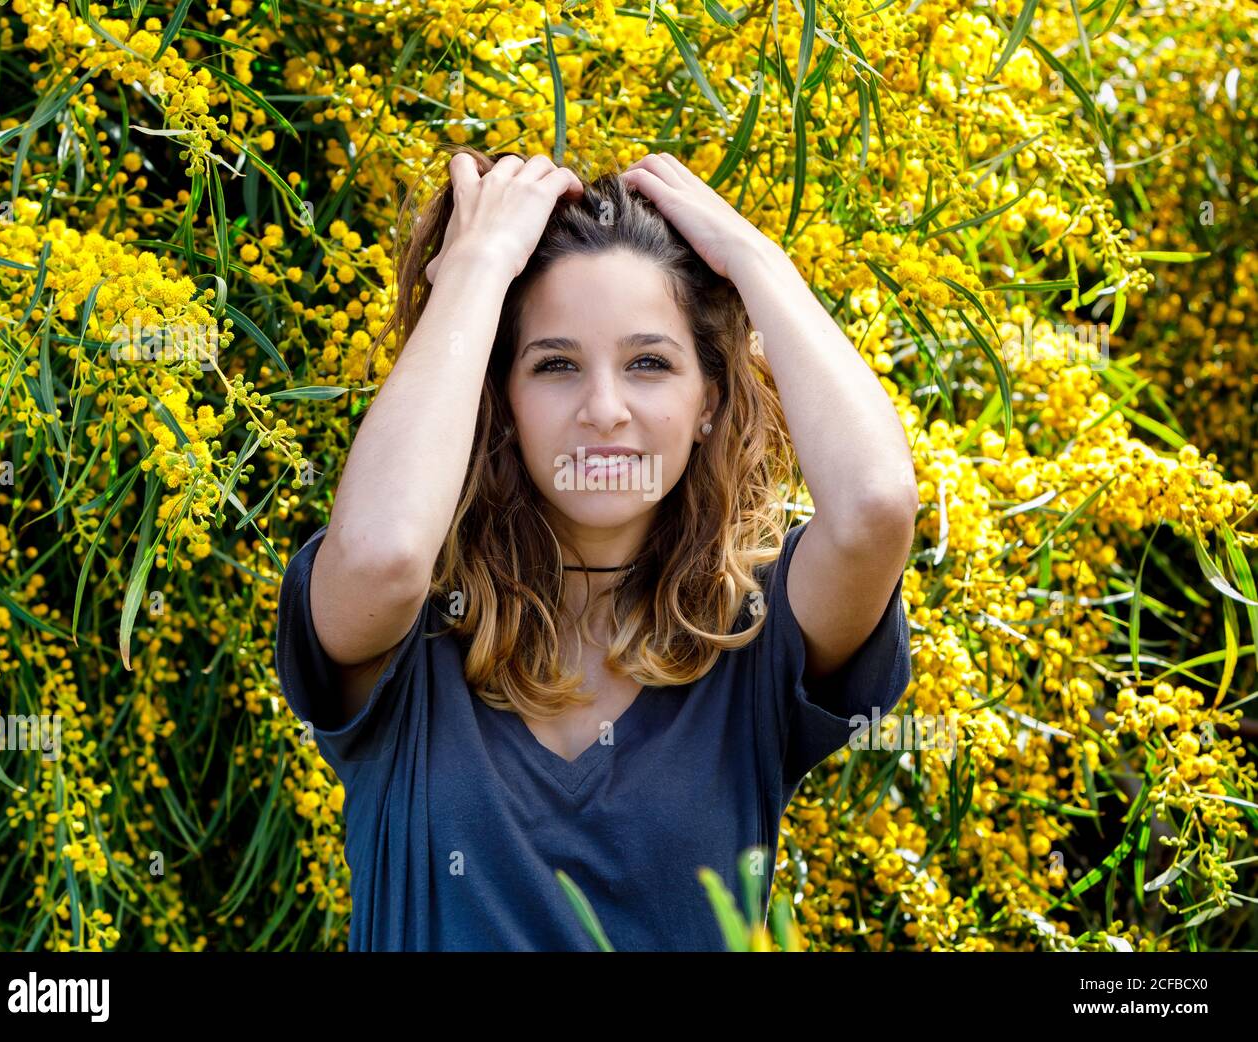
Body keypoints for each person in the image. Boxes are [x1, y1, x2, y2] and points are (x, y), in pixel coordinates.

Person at [274, 145, 918, 951]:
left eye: (649, 363)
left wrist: (755, 260)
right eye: (554, 366)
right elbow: (380, 552)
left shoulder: (754, 637)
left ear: (709, 401)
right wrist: (474, 269)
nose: (604, 409)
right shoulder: (412, 637)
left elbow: (876, 507)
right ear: (500, 401)